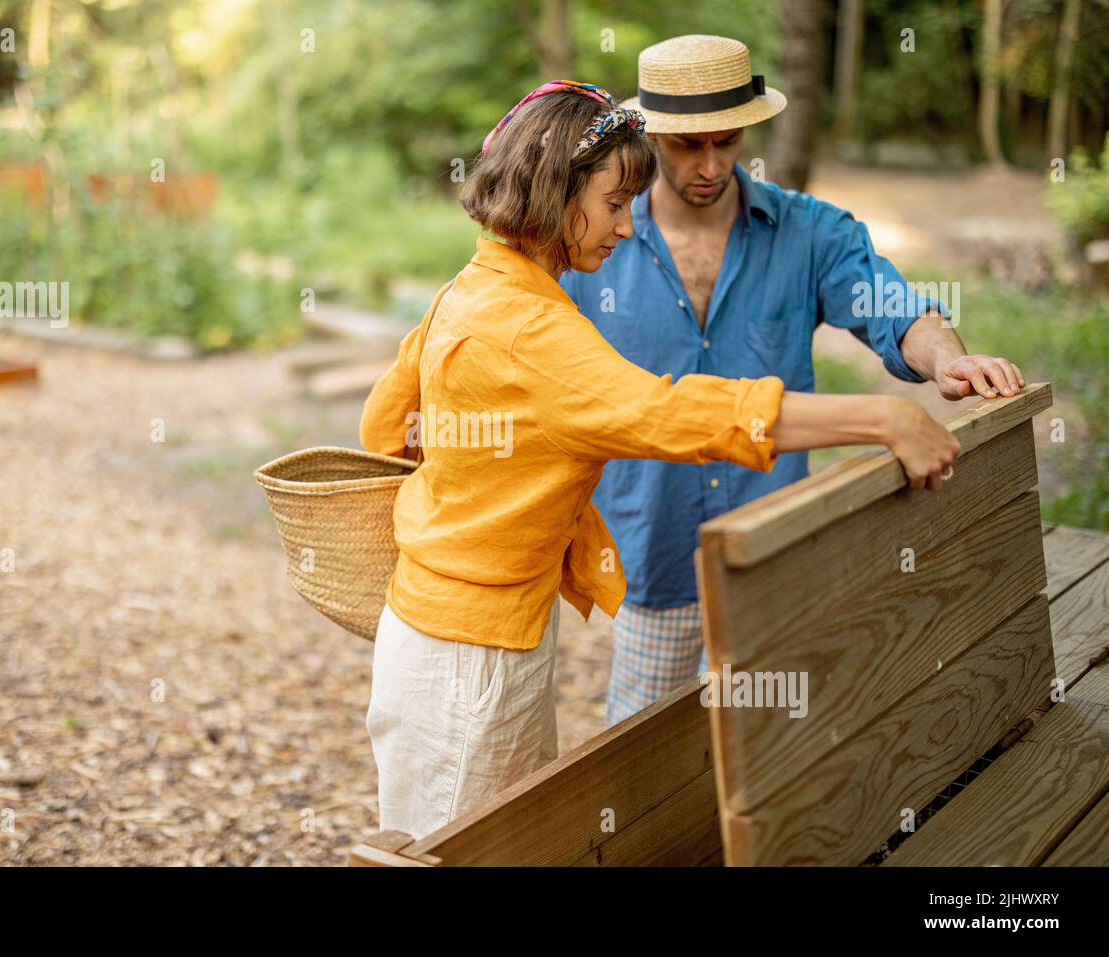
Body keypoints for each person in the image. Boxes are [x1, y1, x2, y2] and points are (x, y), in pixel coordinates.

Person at [358, 80, 959, 840]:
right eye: (612, 204)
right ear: (556, 189)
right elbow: (667, 411)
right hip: (466, 660)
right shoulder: (530, 327)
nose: (622, 225)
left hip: (471, 634)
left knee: (502, 848)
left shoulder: (477, 286)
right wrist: (878, 415)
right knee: (451, 852)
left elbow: (385, 424)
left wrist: (468, 494)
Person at [558, 36, 1027, 726]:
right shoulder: (596, 239)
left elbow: (894, 308)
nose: (712, 164)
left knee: (773, 743)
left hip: (773, 550)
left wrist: (946, 359)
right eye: (690, 146)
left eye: (727, 141)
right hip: (649, 551)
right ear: (654, 135)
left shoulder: (809, 230)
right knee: (643, 760)